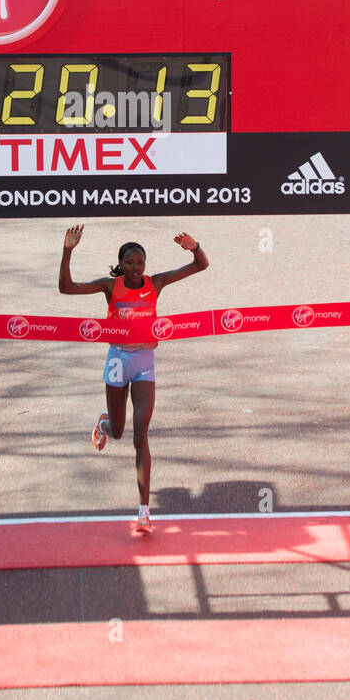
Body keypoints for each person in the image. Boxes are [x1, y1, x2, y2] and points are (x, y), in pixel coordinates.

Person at [59, 225, 209, 535]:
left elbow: (200, 266)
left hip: (144, 362)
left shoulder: (156, 283)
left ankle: (143, 510)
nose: (135, 268)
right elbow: (67, 288)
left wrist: (194, 247)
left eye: (139, 263)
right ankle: (103, 424)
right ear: (121, 265)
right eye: (129, 263)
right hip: (117, 359)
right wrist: (68, 251)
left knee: (140, 432)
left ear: (144, 265)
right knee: (117, 431)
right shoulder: (110, 287)